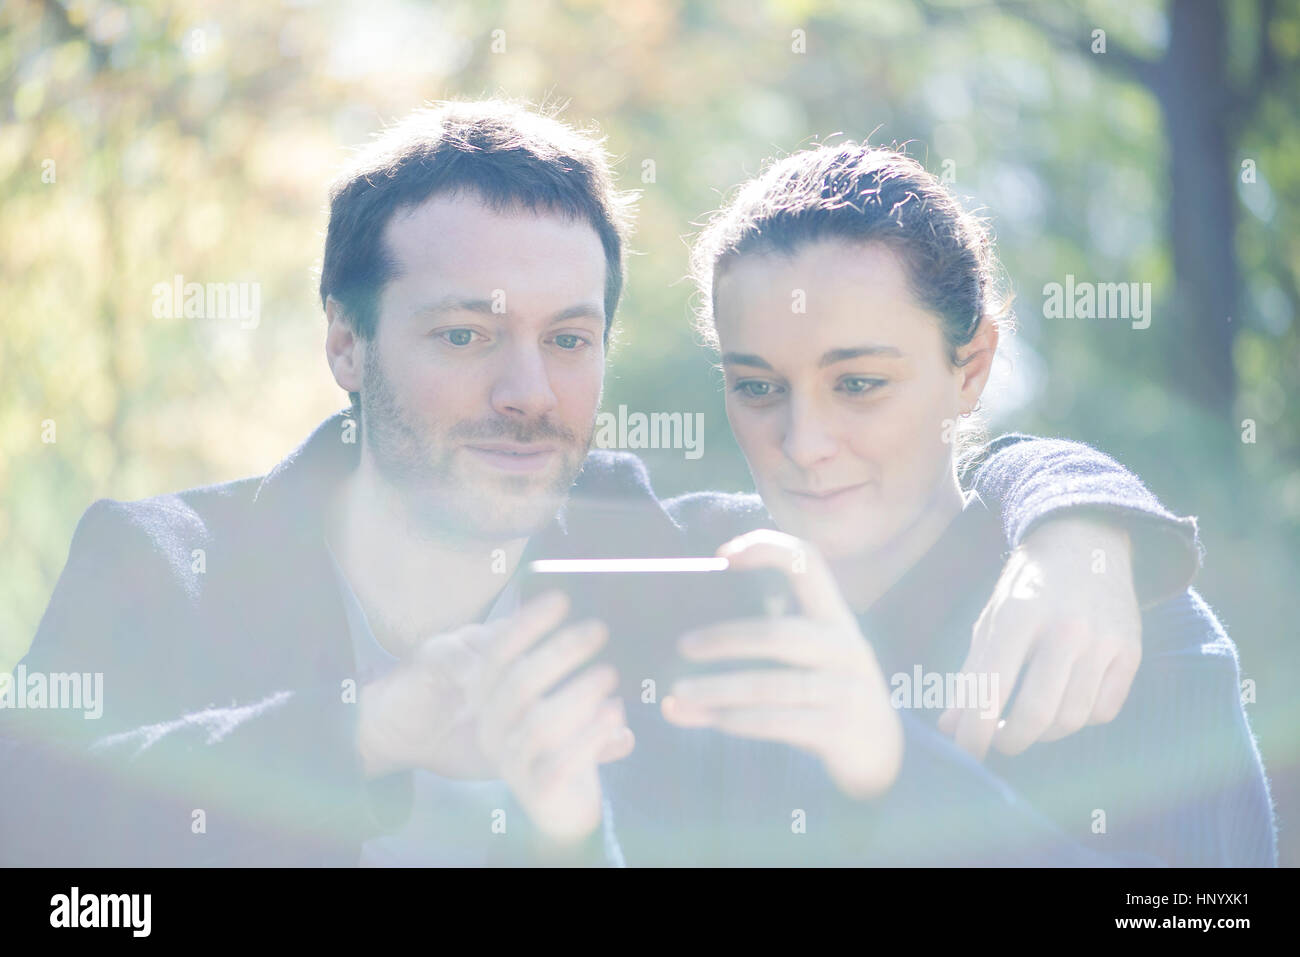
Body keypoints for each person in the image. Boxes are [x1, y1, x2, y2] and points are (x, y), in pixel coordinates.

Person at [0, 102, 1202, 867]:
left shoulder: (689, 575)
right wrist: (368, 731)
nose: (529, 391)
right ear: (346, 345)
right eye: (467, 334)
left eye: (569, 339)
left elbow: (917, 493)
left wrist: (1078, 520)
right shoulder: (164, 566)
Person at [619, 141, 1277, 866]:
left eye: (859, 383)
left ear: (972, 368)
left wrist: (899, 770)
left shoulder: (1132, 628)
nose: (803, 443)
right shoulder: (674, 581)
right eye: (757, 387)